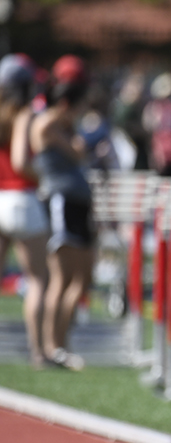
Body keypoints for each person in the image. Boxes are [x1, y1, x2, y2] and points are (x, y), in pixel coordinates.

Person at [29, 55, 94, 371]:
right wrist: (73, 136)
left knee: (81, 280)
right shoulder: (47, 122)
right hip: (60, 202)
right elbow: (76, 152)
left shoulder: (64, 125)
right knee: (60, 277)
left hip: (79, 202)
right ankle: (51, 346)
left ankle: (62, 343)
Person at [0, 54, 49, 368]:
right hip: (21, 198)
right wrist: (41, 177)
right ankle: (38, 352)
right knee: (38, 279)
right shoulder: (23, 114)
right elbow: (20, 160)